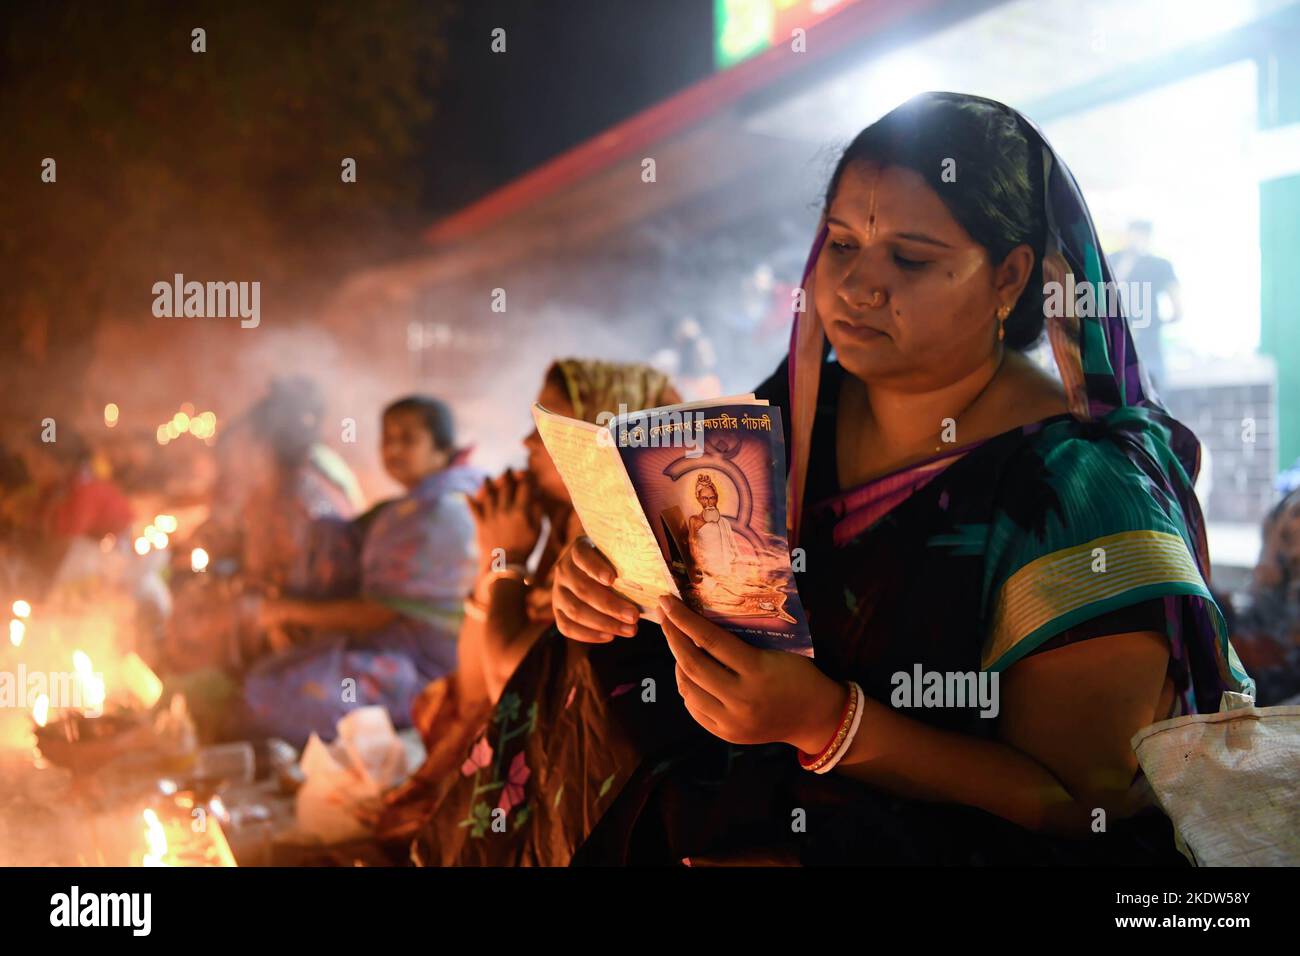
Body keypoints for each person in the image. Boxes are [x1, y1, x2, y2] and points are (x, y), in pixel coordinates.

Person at [409, 92, 1252, 867]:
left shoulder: (1078, 484)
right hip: (784, 778)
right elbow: (694, 577)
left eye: (910, 260)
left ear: (1009, 276)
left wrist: (829, 721)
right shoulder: (802, 406)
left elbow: (1083, 805)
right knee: (587, 661)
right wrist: (600, 579)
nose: (854, 286)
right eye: (842, 245)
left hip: (946, 837)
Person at [375, 360, 679, 839]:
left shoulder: (622, 540)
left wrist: (509, 562)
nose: (527, 444)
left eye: (549, 427)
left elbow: (510, 687)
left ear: (602, 429)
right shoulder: (559, 523)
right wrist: (492, 562)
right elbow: (475, 686)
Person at [238, 396, 484, 745]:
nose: (393, 449)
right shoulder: (421, 502)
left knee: (278, 691)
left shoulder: (440, 512)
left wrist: (283, 611)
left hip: (430, 665)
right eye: (387, 439)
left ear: (441, 447)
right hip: (392, 639)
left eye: (408, 439)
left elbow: (376, 613)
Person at [1109, 220, 1181, 393]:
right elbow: (1178, 310)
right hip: (1138, 338)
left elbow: (1177, 309)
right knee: (1154, 397)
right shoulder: (1112, 261)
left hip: (1129, 340)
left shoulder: (1159, 265)